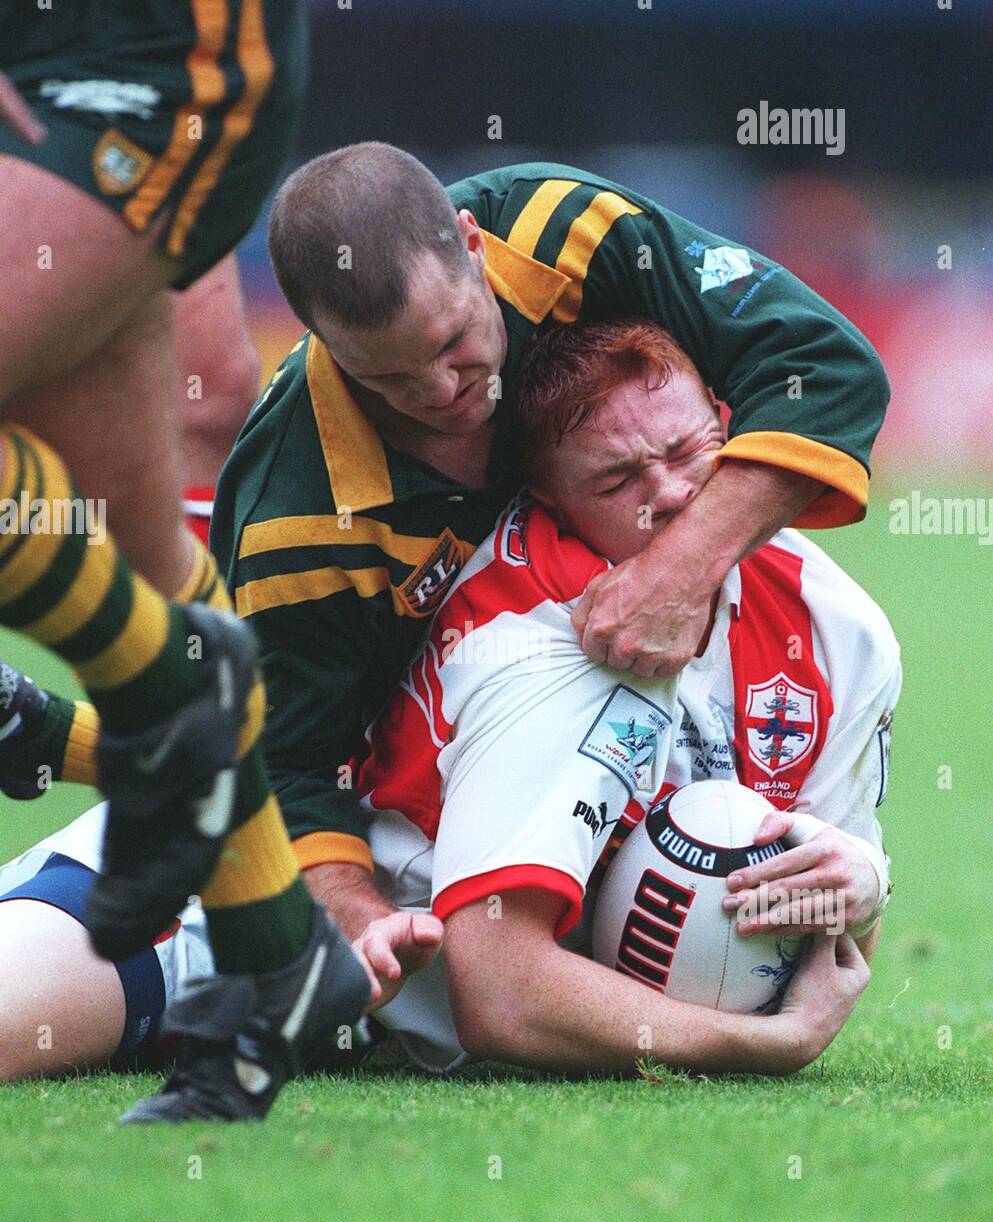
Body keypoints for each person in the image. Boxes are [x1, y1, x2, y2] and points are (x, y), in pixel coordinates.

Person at [5, 142, 892, 1015]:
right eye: (387, 374)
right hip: (321, 852)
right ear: (318, 342)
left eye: (458, 345)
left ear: (475, 247)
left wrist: (678, 570)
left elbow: (824, 366)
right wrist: (355, 916)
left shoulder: (561, 233)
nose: (441, 391)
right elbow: (286, 761)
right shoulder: (295, 521)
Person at [0, 7, 373, 1123]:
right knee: (140, 551)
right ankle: (277, 957)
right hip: (52, 64)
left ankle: (171, 693)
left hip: (144, 62)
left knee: (149, 559)